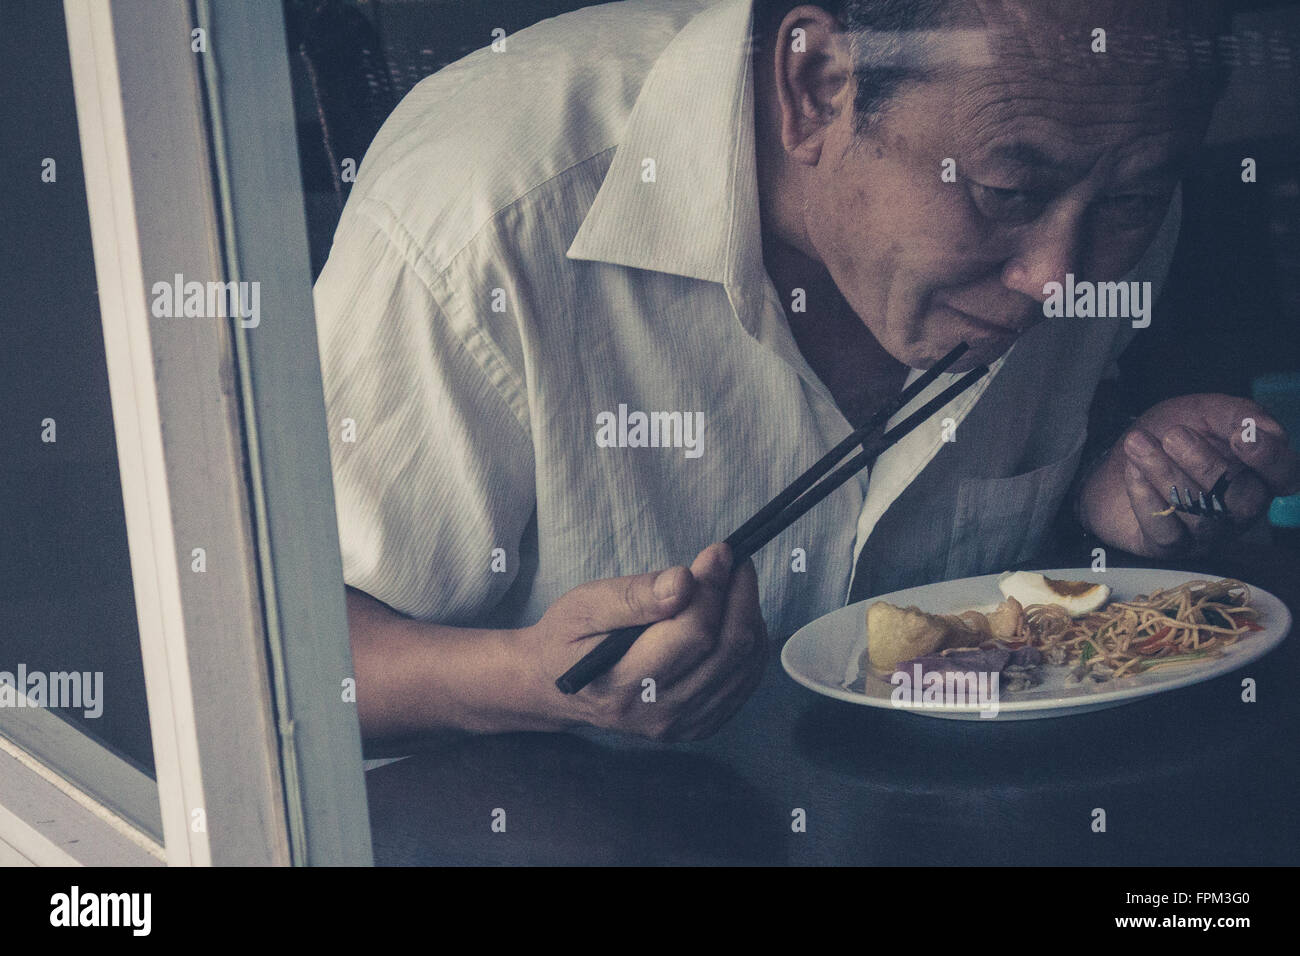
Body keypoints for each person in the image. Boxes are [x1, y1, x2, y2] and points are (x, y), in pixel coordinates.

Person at [313, 0, 1300, 743]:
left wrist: (1119, 489)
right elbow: (282, 661)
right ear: (818, 84)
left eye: (1131, 200)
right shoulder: (477, 225)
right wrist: (523, 679)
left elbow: (1045, 529)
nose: (1057, 277)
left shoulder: (1101, 193)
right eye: (1005, 190)